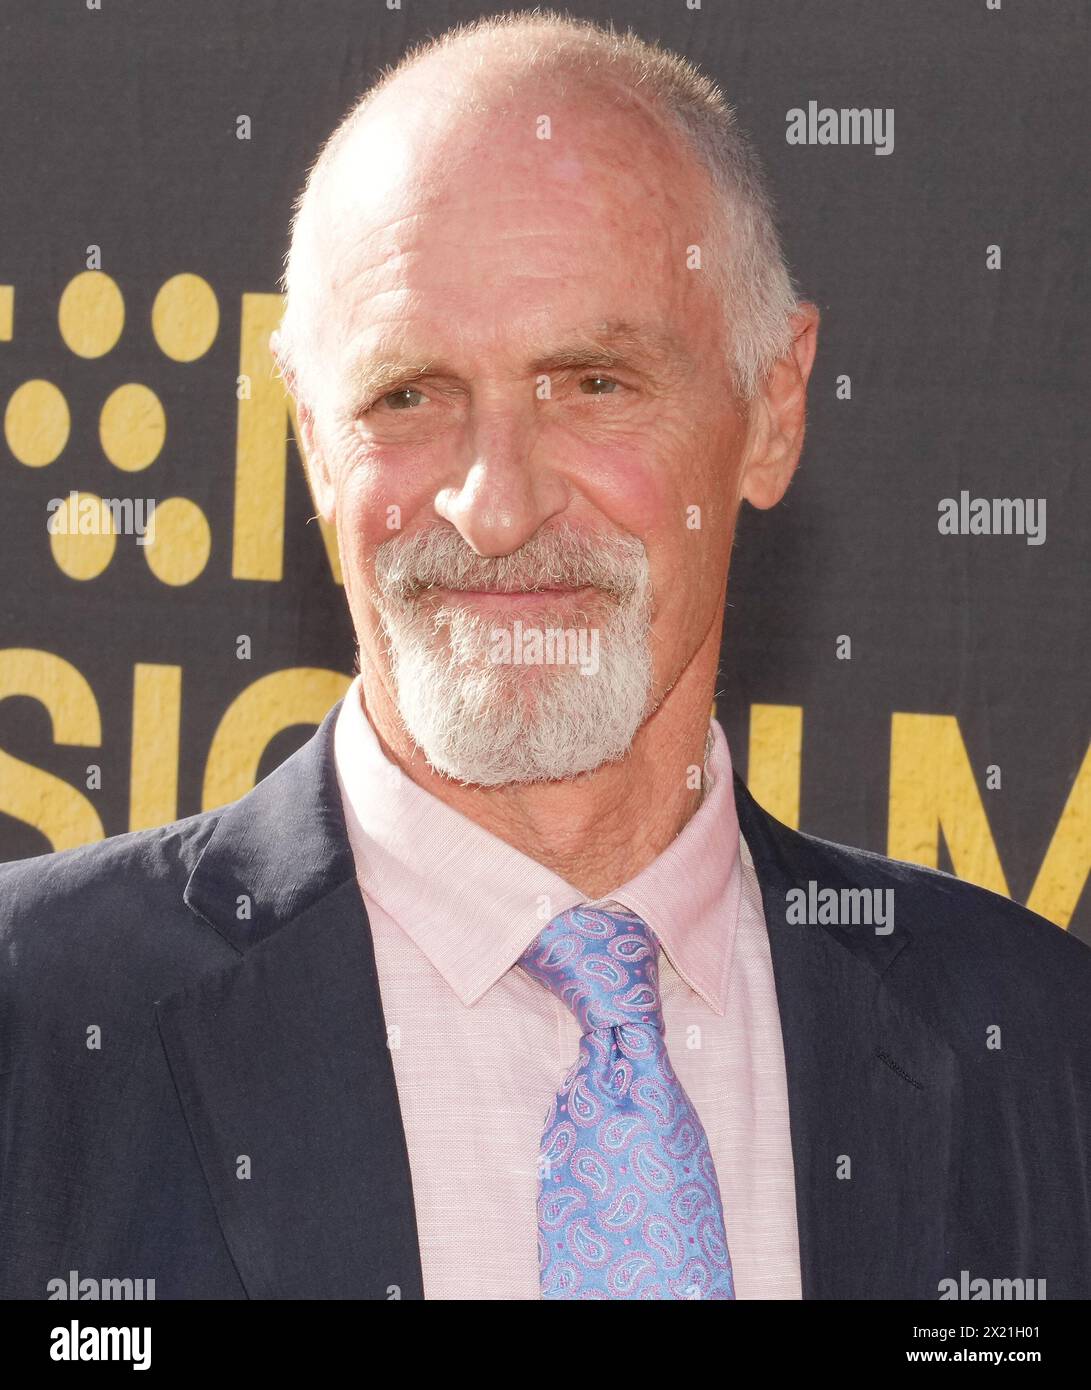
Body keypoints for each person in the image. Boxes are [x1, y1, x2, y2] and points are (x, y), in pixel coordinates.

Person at [2, 11, 1088, 1301]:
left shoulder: (1039, 1053)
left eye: (592, 384)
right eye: (409, 395)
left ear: (774, 410)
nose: (496, 506)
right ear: (311, 446)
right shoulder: (35, 1037)